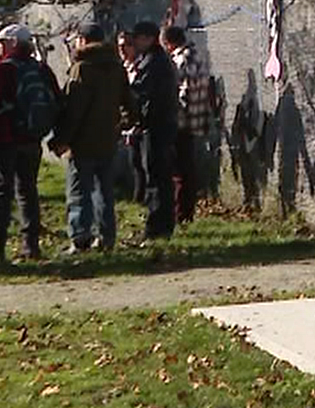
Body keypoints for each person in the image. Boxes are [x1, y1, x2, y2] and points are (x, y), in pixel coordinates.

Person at [50, 22, 132, 253]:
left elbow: (74, 111)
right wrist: (120, 125)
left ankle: (80, 238)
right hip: (107, 140)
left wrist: (61, 140)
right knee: (104, 191)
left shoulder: (82, 69)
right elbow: (129, 103)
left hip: (82, 142)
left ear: (83, 41)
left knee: (79, 192)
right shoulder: (117, 67)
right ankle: (107, 237)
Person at [0, 25, 59, 261]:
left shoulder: (2, 70)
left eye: (0, 42)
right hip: (33, 140)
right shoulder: (41, 69)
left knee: (2, 193)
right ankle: (31, 245)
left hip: (5, 140)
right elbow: (57, 101)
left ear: (12, 43)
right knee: (28, 191)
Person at [126, 20, 179, 242]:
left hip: (157, 127)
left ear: (149, 38)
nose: (134, 43)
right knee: (157, 176)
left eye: (138, 38)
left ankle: (157, 226)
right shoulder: (153, 60)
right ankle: (160, 224)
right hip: (158, 125)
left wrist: (137, 117)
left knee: (156, 177)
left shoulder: (155, 63)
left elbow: (144, 94)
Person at [162, 25, 215, 225]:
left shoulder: (180, 60)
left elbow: (183, 91)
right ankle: (187, 212)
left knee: (179, 170)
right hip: (197, 118)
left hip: (181, 121)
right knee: (188, 167)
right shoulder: (198, 56)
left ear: (168, 43)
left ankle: (181, 213)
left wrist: (175, 113)